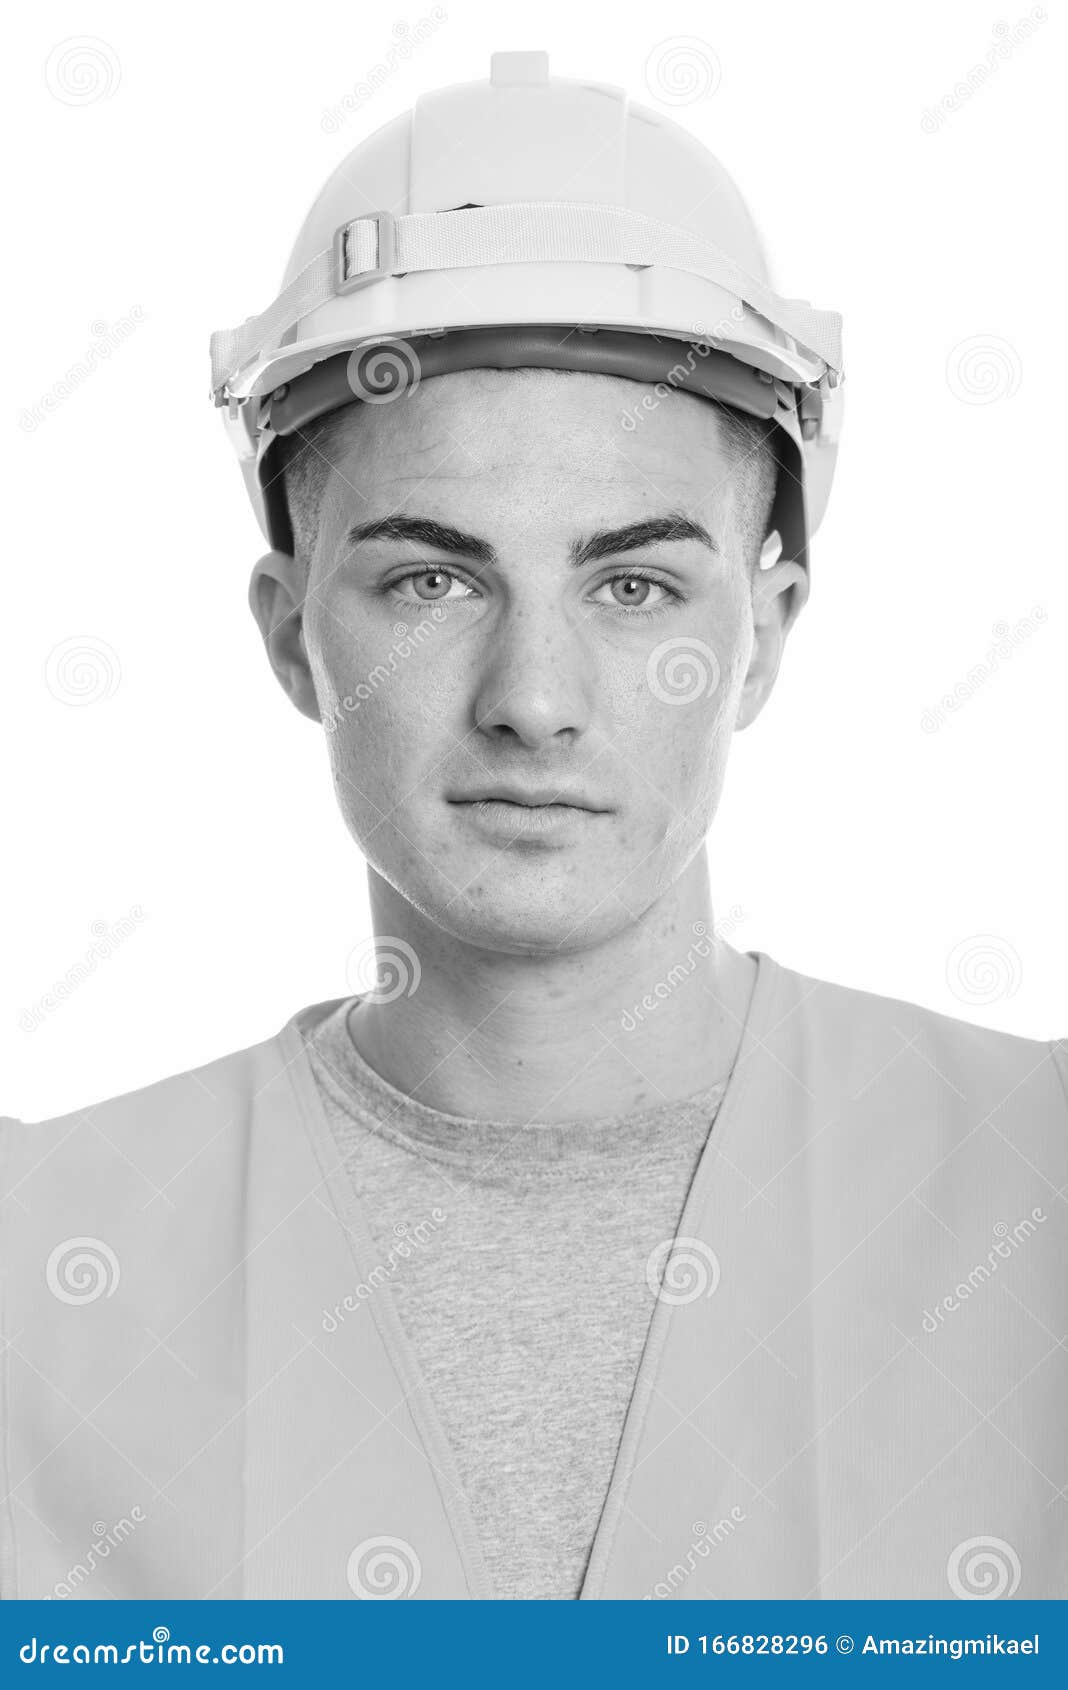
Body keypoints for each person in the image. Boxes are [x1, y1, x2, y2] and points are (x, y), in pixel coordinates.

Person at [2, 51, 1064, 1604]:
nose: (535, 697)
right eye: (432, 578)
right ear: (292, 632)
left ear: (761, 636)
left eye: (634, 585)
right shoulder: (41, 1274)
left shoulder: (1035, 1197)